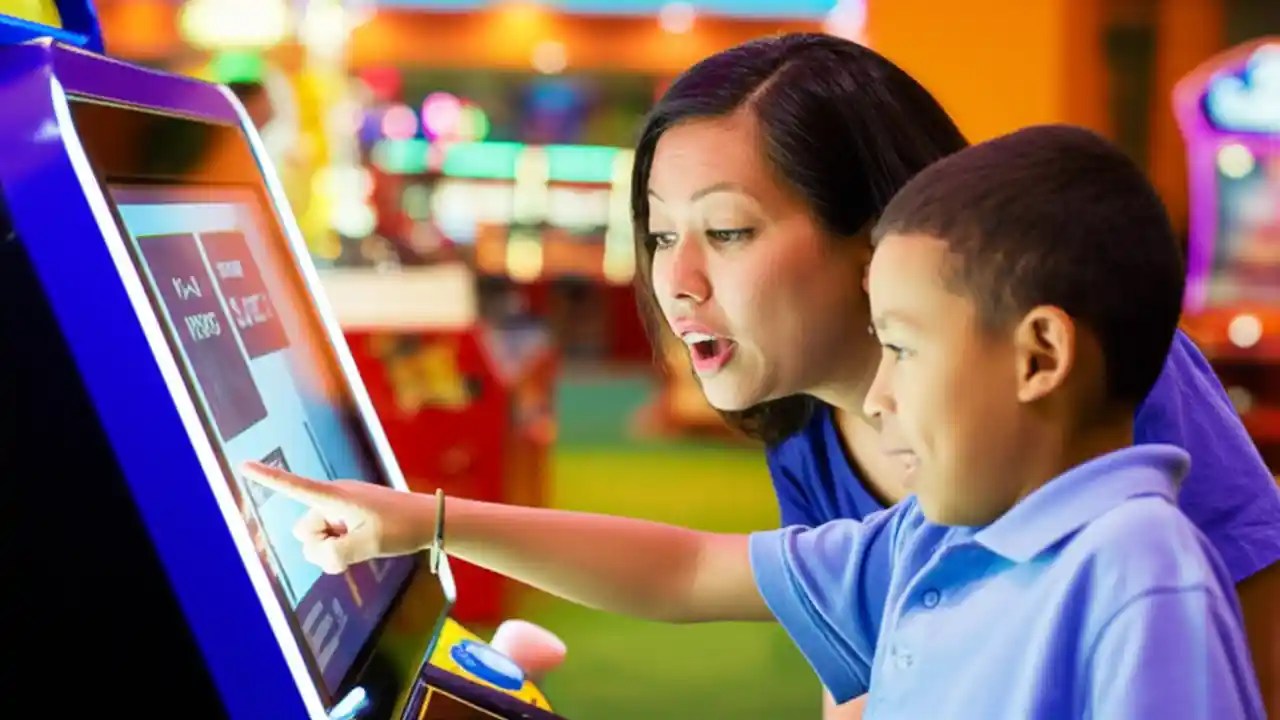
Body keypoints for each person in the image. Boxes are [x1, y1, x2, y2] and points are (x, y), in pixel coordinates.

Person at [245, 124, 1264, 718]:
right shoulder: (928, 538)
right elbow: (689, 570)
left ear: (1037, 356)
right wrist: (422, 519)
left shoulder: (1137, 569)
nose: (876, 397)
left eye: (901, 350)